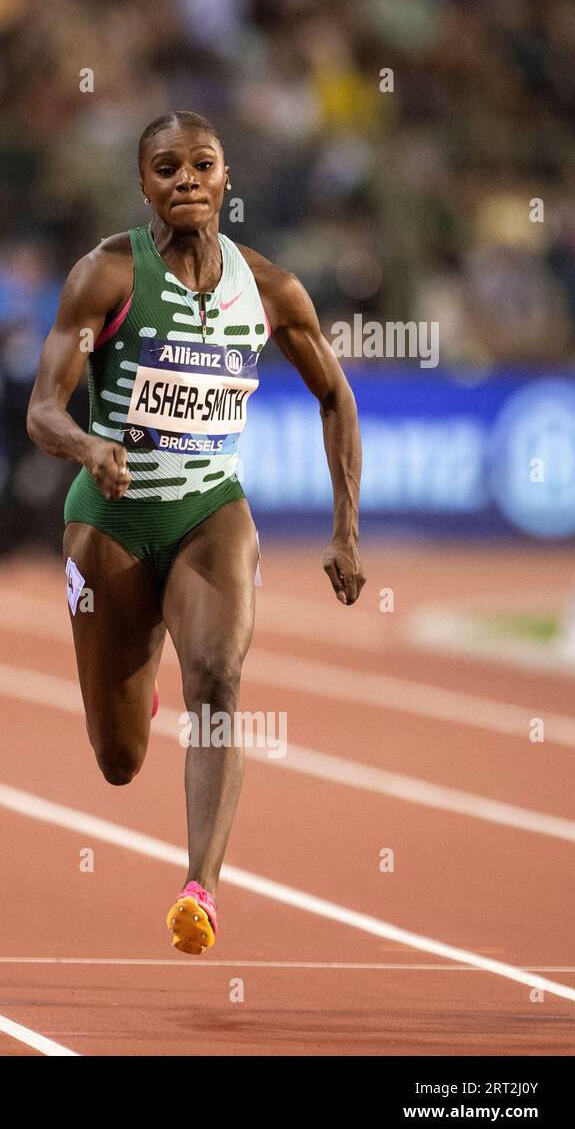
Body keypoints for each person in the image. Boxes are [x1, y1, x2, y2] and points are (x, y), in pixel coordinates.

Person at [27, 110, 364, 955]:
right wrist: (88, 444)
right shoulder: (105, 277)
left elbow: (335, 394)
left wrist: (344, 528)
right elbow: (40, 409)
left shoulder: (274, 290)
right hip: (108, 518)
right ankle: (131, 668)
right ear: (144, 184)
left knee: (216, 679)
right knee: (118, 758)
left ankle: (200, 887)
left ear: (226, 180)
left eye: (202, 165)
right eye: (166, 167)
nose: (185, 180)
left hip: (209, 509)